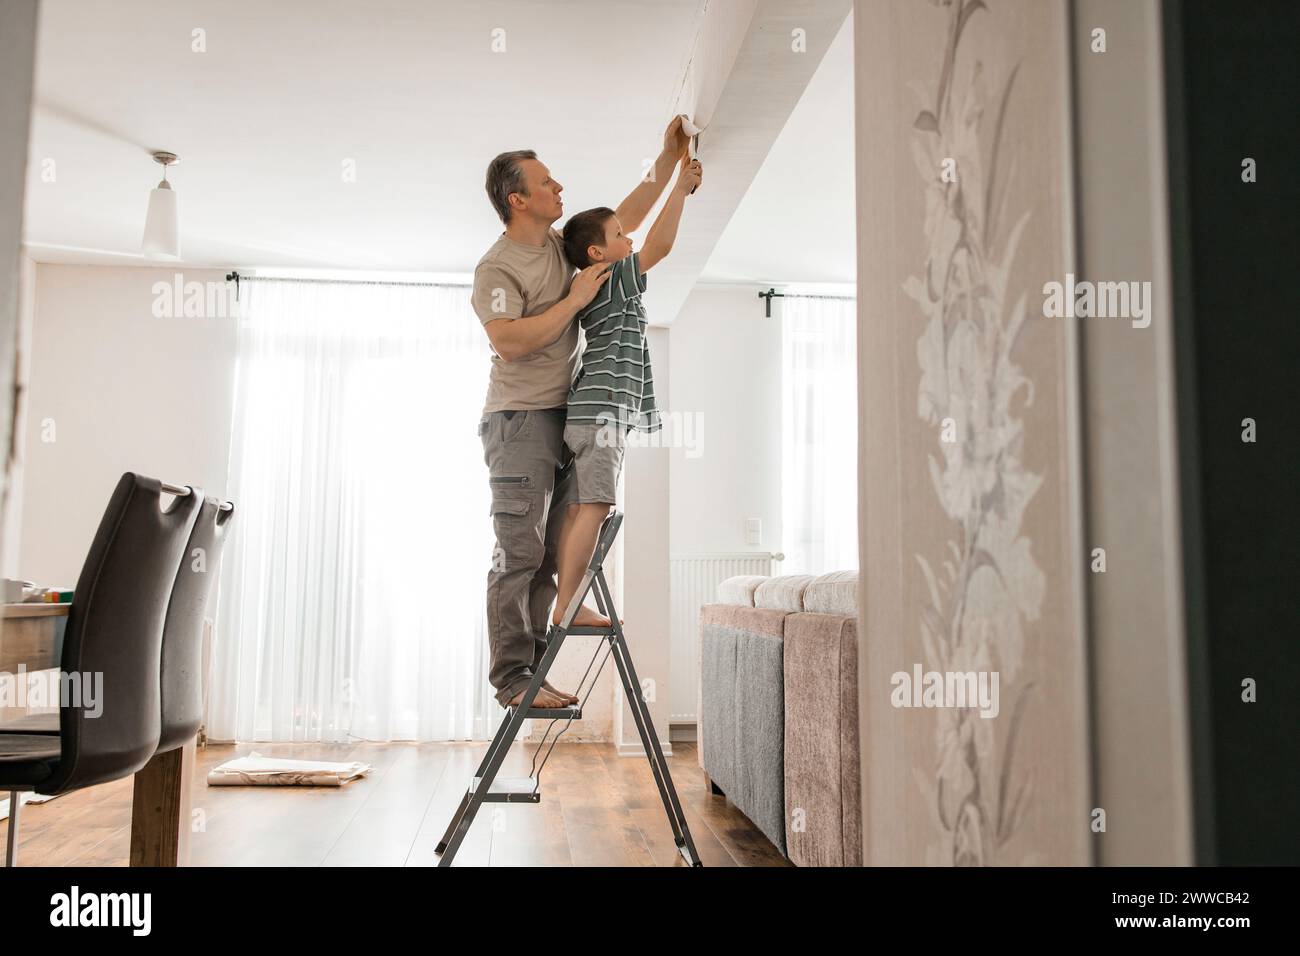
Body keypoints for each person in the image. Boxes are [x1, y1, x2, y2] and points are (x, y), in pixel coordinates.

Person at [471, 117, 691, 710]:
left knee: (548, 550)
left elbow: (624, 219)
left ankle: (536, 665)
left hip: (562, 411)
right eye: (546, 183)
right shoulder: (498, 268)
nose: (558, 187)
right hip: (518, 417)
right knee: (518, 550)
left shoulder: (554, 248)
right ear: (518, 199)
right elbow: (509, 342)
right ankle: (512, 678)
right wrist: (573, 302)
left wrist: (667, 162)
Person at [551, 155, 703, 628]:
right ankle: (567, 607)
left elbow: (643, 243)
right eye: (618, 236)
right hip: (600, 414)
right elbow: (661, 244)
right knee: (595, 506)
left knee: (582, 508)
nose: (629, 238)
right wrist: (680, 188)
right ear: (598, 253)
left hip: (592, 412)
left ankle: (566, 602)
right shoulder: (610, 280)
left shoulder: (599, 281)